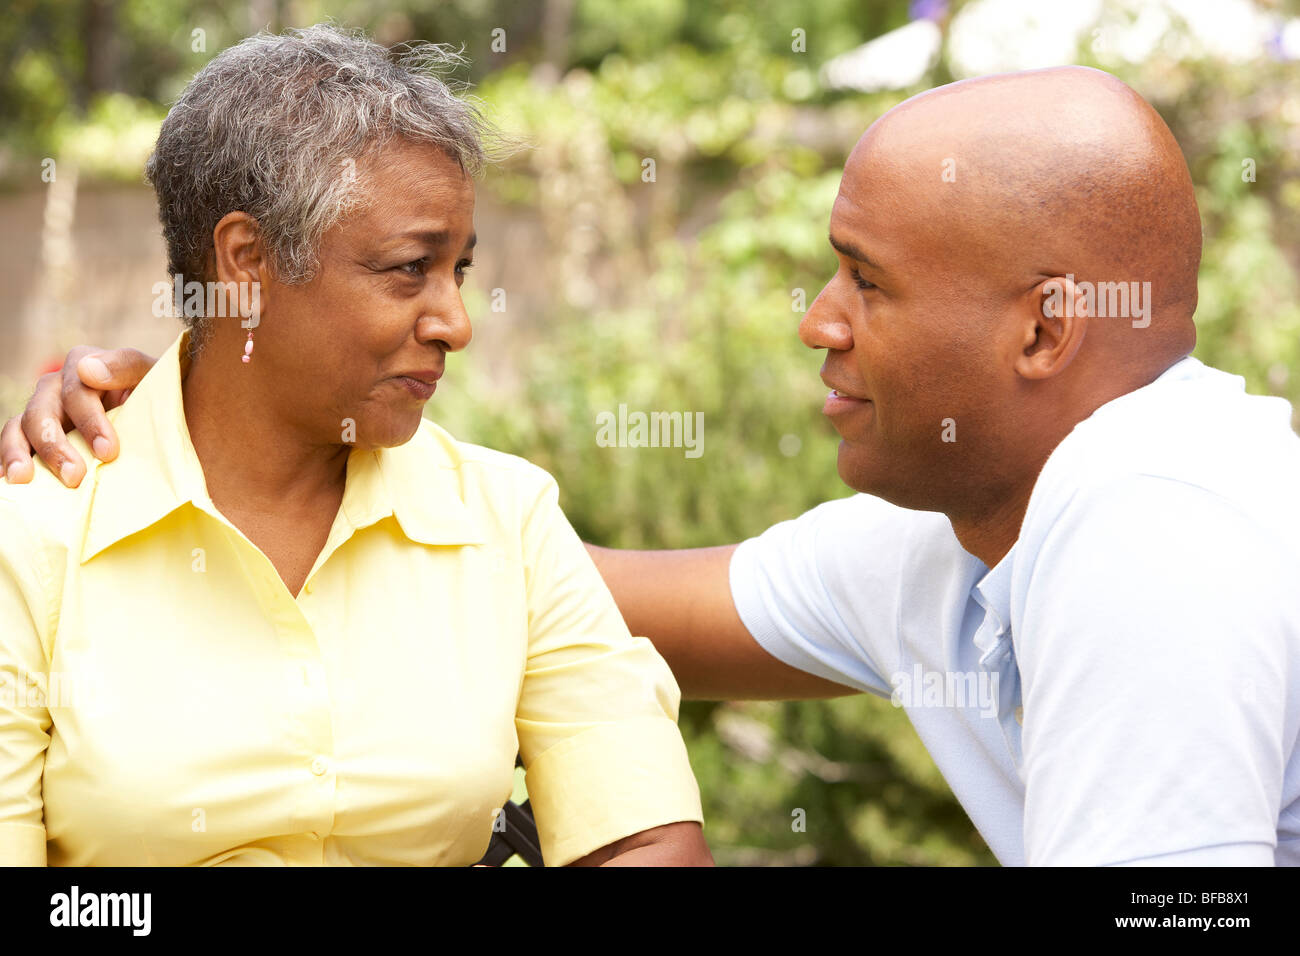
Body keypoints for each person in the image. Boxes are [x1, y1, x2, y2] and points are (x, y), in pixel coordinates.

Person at [10, 66, 1300, 866]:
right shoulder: (956, 534)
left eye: (867, 280)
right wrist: (207, 421)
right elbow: (554, 593)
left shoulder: (1155, 535)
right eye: (414, 268)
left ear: (1041, 329)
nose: (817, 320)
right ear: (248, 262)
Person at [0, 24, 709, 867]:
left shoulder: (506, 520)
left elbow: (648, 839)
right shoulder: (35, 540)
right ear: (247, 261)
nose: (456, 322)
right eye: (410, 268)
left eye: (460, 272)